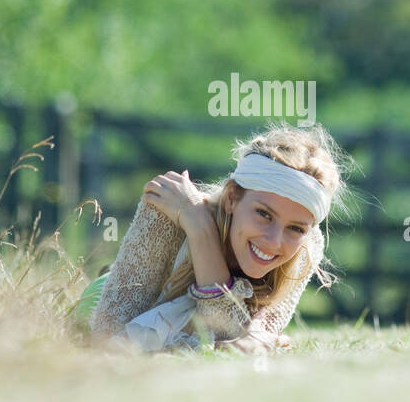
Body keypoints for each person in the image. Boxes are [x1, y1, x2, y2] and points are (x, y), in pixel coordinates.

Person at [86, 123, 347, 354]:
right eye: (264, 214)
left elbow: (238, 341)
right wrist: (200, 227)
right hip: (98, 297)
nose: (273, 241)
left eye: (296, 228)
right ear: (232, 198)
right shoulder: (172, 213)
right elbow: (106, 338)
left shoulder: (306, 247)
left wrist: (250, 338)